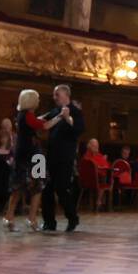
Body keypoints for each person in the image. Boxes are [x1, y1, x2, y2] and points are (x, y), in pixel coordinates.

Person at [40, 84, 84, 232]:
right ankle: (49, 222)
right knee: (46, 189)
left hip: (65, 158)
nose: (54, 97)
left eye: (56, 95)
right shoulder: (54, 111)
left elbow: (78, 130)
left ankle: (73, 218)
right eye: (54, 95)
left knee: (61, 189)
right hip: (51, 156)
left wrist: (67, 118)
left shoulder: (76, 112)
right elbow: (42, 122)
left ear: (66, 95)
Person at [4, 90, 46, 231]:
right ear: (32, 101)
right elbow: (44, 125)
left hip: (27, 155)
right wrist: (59, 117)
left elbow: (38, 122)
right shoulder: (27, 116)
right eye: (37, 98)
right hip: (32, 156)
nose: (39, 101)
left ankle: (9, 218)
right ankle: (31, 219)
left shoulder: (24, 116)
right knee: (36, 187)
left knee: (19, 188)